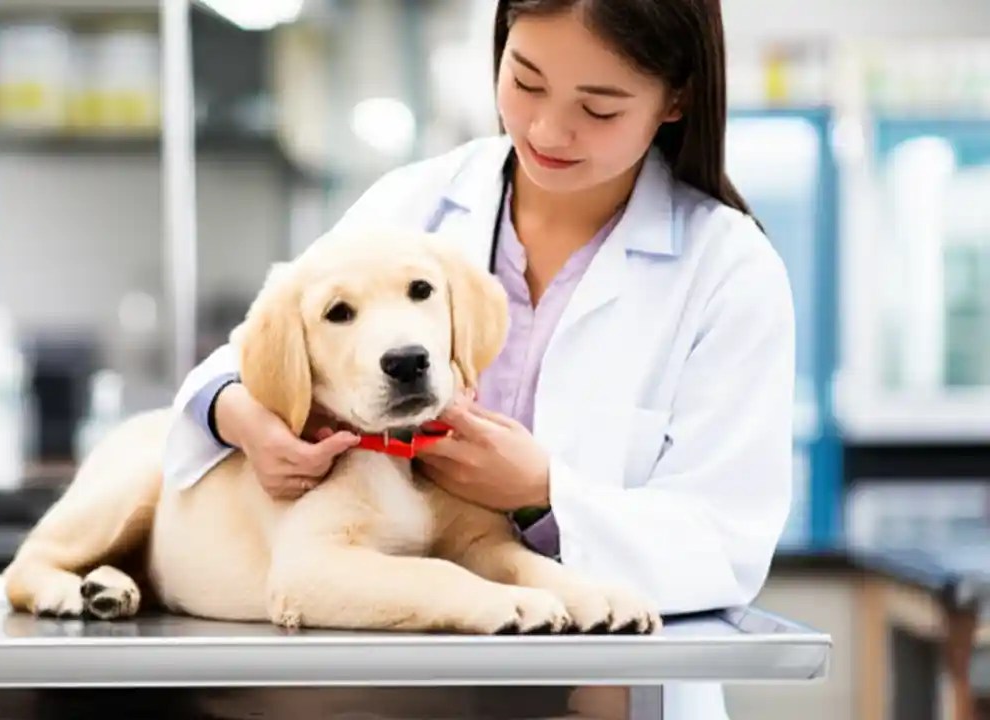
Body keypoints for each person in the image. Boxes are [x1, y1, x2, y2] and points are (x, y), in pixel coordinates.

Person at [163, 0, 795, 718]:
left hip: (608, 695)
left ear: (677, 97)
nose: (549, 129)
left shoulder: (728, 268)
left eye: (600, 107)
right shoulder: (414, 203)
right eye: (525, 82)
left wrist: (541, 491)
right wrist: (239, 413)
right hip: (404, 690)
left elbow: (724, 545)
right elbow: (257, 345)